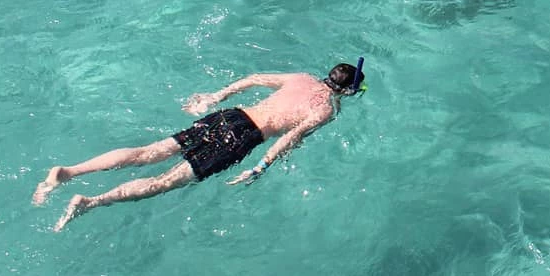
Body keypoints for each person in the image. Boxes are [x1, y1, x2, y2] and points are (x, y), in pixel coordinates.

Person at [33, 62, 365, 231]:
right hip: (242, 138)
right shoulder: (324, 110)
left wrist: (216, 96)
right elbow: (290, 137)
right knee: (163, 182)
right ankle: (91, 201)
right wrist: (262, 166)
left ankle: (69, 172)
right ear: (347, 90)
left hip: (229, 117)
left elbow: (253, 78)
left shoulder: (300, 78)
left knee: (148, 152)